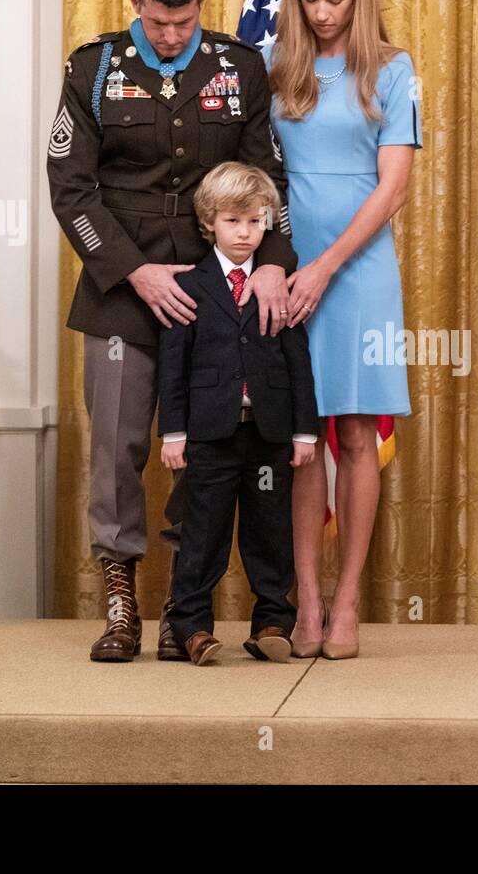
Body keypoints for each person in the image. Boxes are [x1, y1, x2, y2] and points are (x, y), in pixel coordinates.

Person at [47, 0, 298, 663]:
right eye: (158, 22)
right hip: (123, 294)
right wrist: (134, 272)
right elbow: (70, 186)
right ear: (135, 5)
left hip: (218, 292)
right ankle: (121, 603)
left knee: (214, 444)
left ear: (201, 8)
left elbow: (266, 180)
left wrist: (275, 263)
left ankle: (185, 604)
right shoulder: (92, 70)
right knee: (118, 449)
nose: (171, 36)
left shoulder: (238, 67)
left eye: (184, 21)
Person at [263, 0, 420, 660]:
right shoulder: (274, 69)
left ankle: (349, 600)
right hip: (288, 271)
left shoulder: (392, 70)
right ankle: (308, 603)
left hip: (356, 275)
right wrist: (285, 264)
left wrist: (325, 266)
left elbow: (393, 188)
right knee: (300, 444)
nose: (322, 12)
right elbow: (257, 177)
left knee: (356, 435)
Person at [157, 163, 318, 665]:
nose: (245, 232)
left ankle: (273, 619)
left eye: (254, 220)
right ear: (209, 222)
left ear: (267, 221)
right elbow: (174, 368)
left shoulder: (278, 286)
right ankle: (191, 627)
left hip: (268, 435)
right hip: (210, 436)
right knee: (203, 532)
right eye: (232, 221)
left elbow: (298, 363)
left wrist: (305, 432)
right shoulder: (188, 285)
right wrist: (173, 432)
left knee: (269, 530)